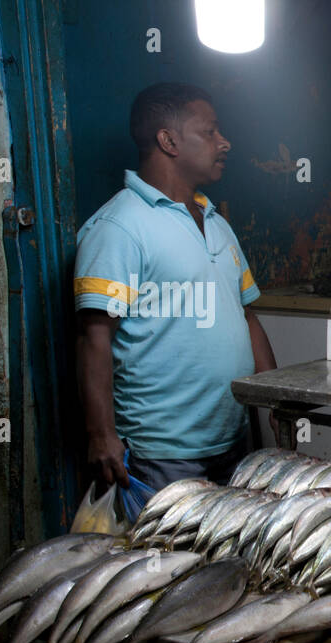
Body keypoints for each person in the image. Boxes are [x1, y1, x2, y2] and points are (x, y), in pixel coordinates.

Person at [74, 82, 278, 494]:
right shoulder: (119, 227)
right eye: (210, 132)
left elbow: (247, 315)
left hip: (233, 442)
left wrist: (276, 397)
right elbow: (93, 335)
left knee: (228, 557)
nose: (225, 143)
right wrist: (101, 435)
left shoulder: (217, 222)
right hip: (162, 456)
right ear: (168, 141)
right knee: (167, 559)